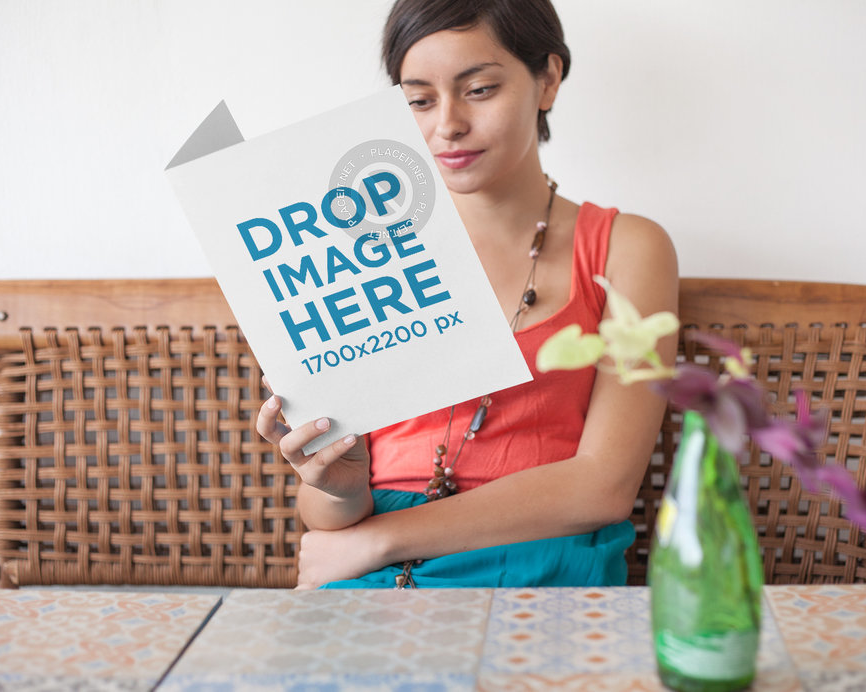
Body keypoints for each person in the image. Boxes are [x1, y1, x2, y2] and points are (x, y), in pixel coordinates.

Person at [256, 0, 678, 589]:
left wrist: (381, 539)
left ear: (547, 79)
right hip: (373, 573)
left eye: (478, 90)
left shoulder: (627, 248)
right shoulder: (359, 252)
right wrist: (337, 488)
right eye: (419, 100)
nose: (447, 124)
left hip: (541, 562)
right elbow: (330, 520)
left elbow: (603, 486)